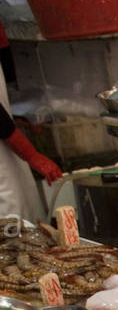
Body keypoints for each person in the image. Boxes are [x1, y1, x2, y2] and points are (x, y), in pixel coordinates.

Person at [0, 84, 61, 220]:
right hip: (3, 167)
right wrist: (33, 155)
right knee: (12, 220)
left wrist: (18, 119)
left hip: (9, 156)